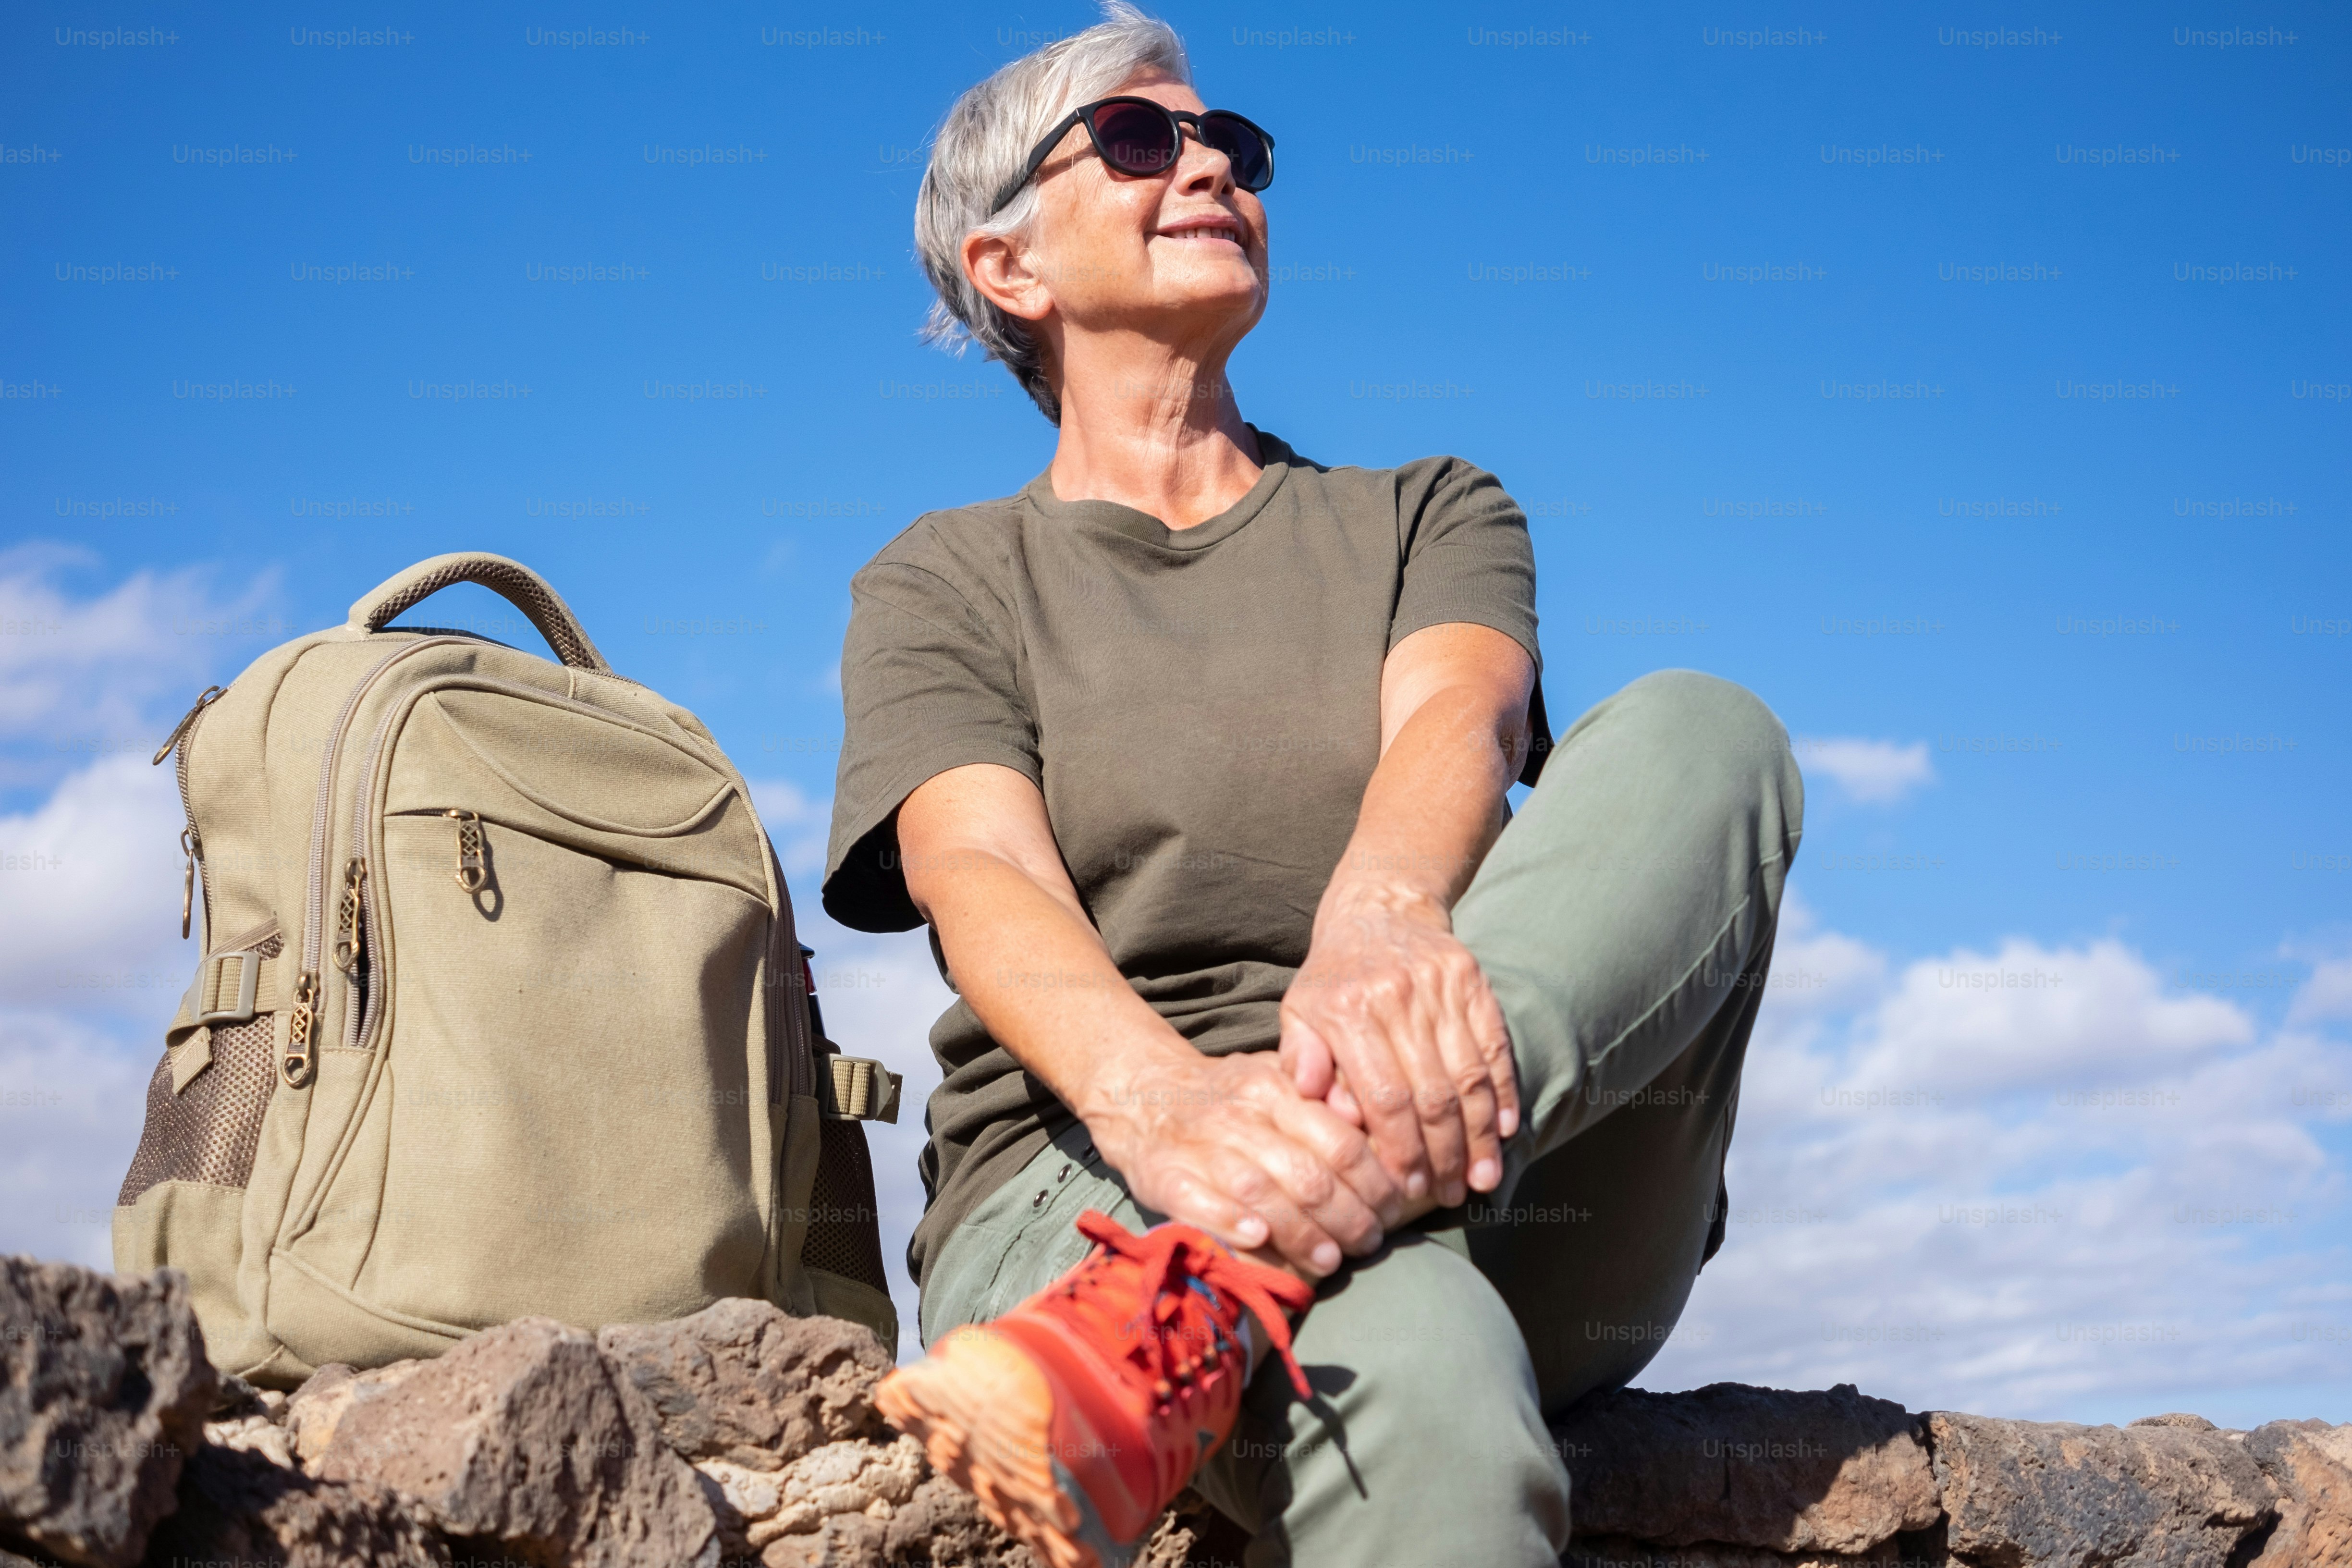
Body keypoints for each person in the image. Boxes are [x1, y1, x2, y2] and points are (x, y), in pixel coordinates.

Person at [821, 7, 1803, 1565]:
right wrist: (1169, 1112)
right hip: (1091, 1183)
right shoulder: (946, 577)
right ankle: (1230, 1260)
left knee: (1707, 730)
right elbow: (979, 869)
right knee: (1426, 1388)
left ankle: (1234, 1265)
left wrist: (1380, 920)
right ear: (1005, 269)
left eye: (1236, 145)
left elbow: (1459, 731)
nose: (1210, 163)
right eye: (1142, 140)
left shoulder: (1429, 511)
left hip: (1499, 1162)